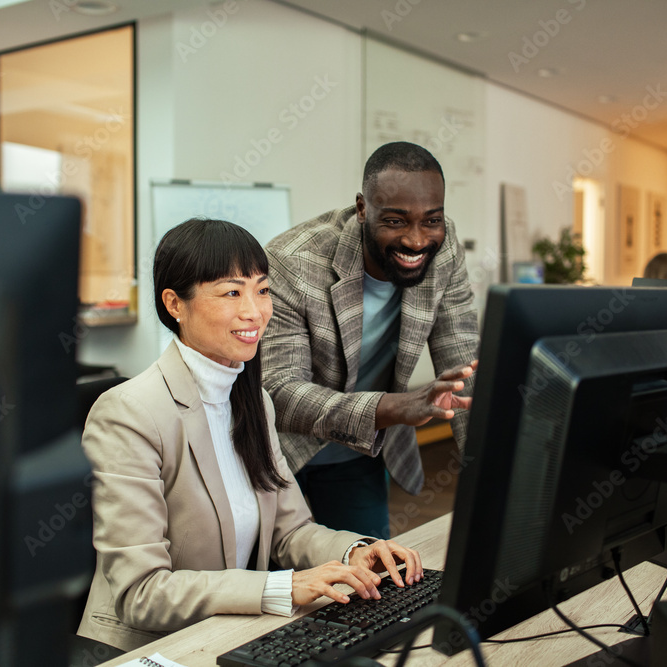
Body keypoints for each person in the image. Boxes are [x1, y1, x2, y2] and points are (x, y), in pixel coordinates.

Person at [77, 219, 422, 653]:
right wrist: (281, 587)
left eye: (262, 290)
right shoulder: (129, 414)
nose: (255, 312)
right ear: (174, 304)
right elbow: (142, 593)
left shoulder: (253, 399)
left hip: (228, 635)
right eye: (231, 292)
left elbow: (289, 532)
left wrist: (354, 550)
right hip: (147, 649)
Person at [260, 142, 479, 540]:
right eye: (395, 221)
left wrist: (493, 484)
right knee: (280, 586)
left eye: (432, 220)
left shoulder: (443, 252)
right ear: (362, 209)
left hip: (359, 450)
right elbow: (278, 390)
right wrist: (394, 406)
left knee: (367, 583)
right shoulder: (292, 262)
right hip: (276, 456)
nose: (416, 240)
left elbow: (465, 371)